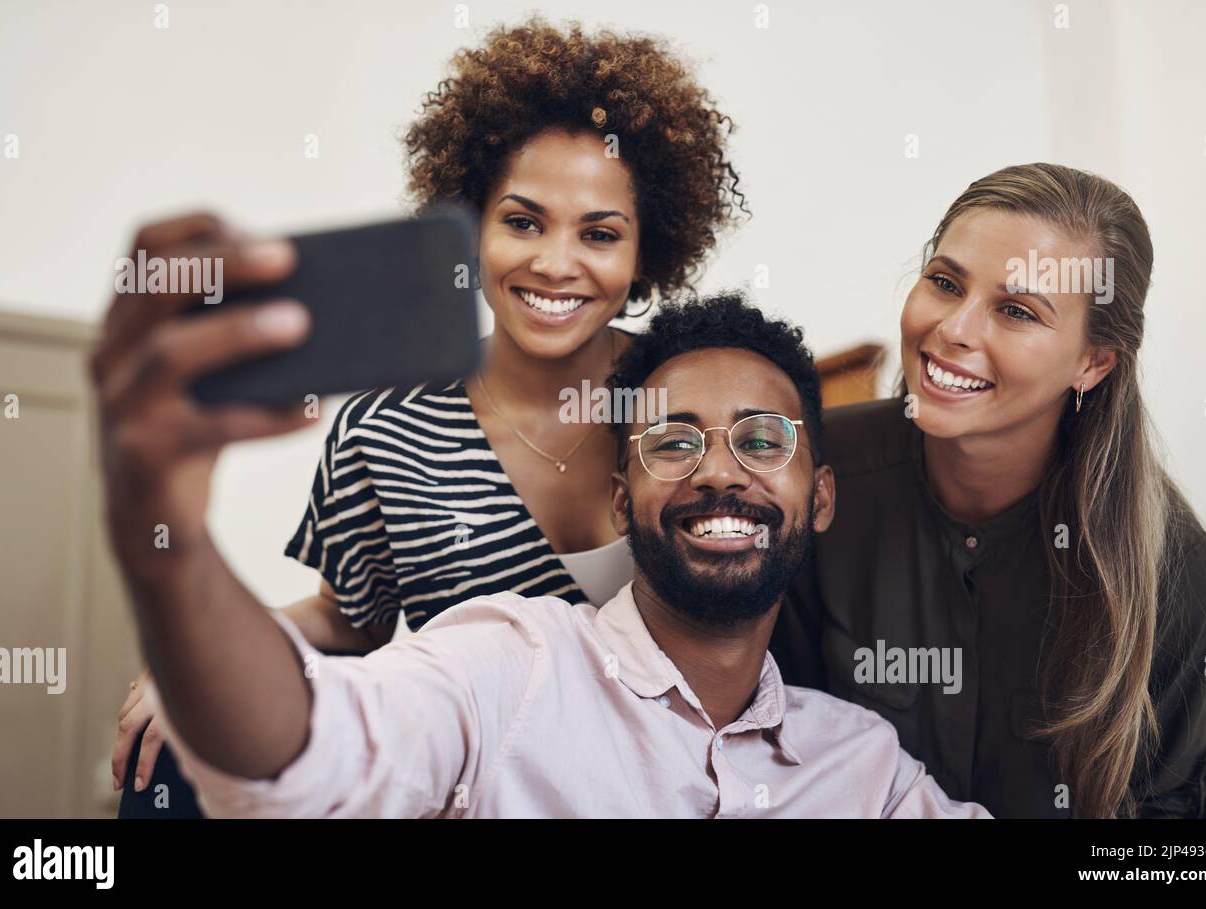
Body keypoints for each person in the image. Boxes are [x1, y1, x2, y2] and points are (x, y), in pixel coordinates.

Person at [110, 17, 747, 803]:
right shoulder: (383, 429)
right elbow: (353, 624)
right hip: (493, 786)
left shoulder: (692, 400)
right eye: (522, 221)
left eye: (600, 233)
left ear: (647, 251)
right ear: (471, 223)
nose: (555, 263)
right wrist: (197, 661)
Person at [110, 294, 990, 818]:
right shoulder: (509, 664)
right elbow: (312, 745)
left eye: (763, 440)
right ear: (620, 500)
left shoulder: (863, 766)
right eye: (673, 443)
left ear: (822, 496)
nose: (720, 470)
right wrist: (171, 544)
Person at [771, 163, 1206, 818]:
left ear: (1093, 363)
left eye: (1015, 310)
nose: (954, 329)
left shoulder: (1174, 567)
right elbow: (758, 749)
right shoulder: (811, 473)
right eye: (945, 282)